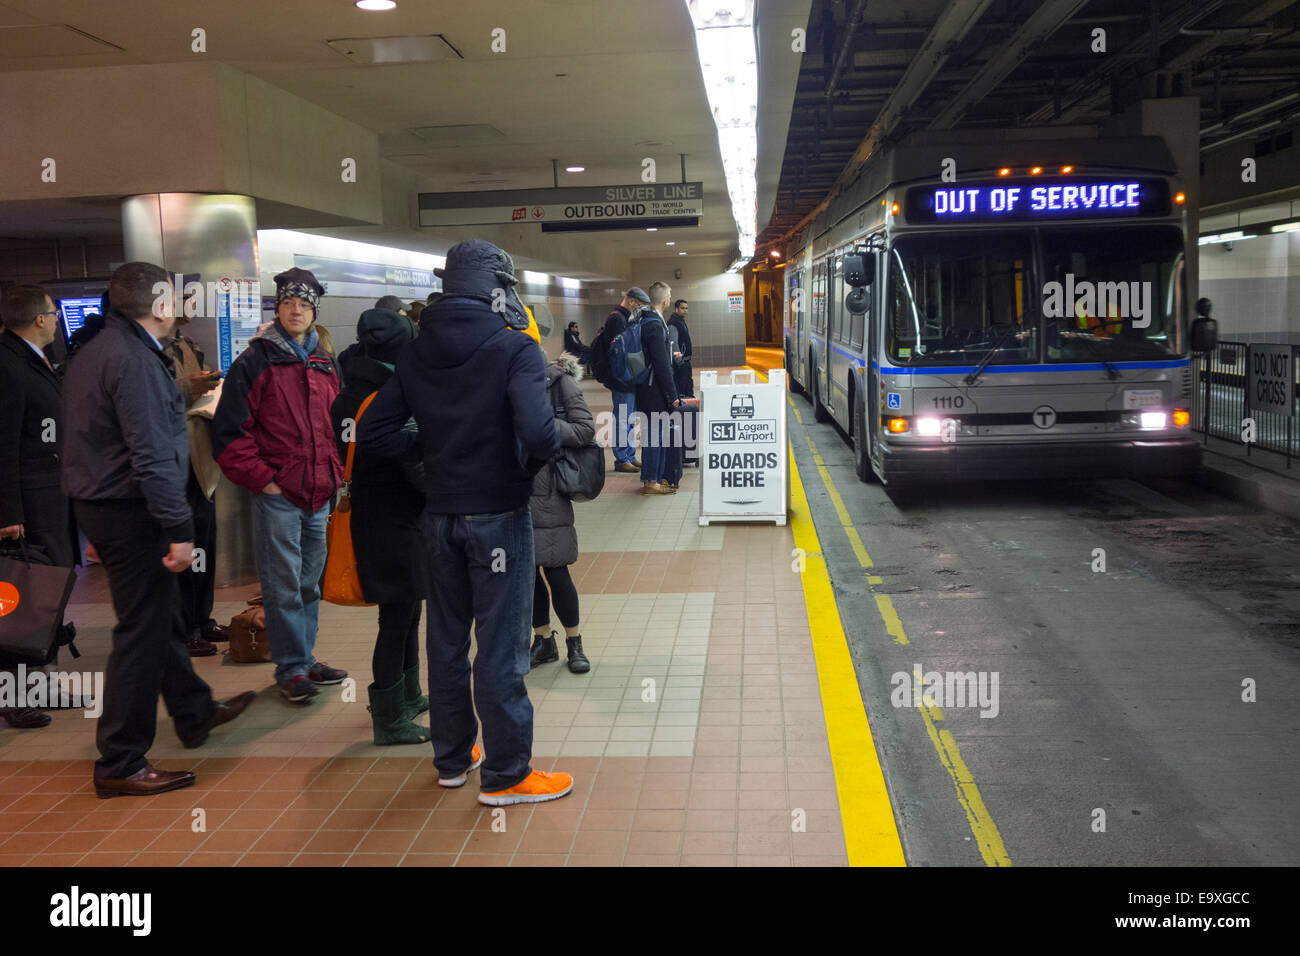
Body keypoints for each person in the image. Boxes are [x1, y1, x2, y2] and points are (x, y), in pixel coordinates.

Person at [359, 238, 572, 806]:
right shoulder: (515, 348)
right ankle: (507, 776)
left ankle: (454, 760)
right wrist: (518, 467)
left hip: (439, 519)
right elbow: (539, 434)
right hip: (499, 516)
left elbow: (375, 433)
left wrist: (429, 464)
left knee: (446, 641)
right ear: (499, 288)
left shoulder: (416, 353)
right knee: (501, 647)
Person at [62, 262, 255, 797]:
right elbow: (150, 454)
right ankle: (120, 761)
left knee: (159, 618)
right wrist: (176, 526)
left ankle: (192, 713)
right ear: (162, 305)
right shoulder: (133, 360)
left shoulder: (99, 349)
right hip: (131, 511)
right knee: (141, 633)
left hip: (105, 504)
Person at [212, 267, 348, 704]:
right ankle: (290, 668)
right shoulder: (256, 361)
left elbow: (336, 424)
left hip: (319, 490)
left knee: (309, 582)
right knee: (282, 583)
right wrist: (263, 481)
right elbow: (230, 434)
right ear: (277, 308)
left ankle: (304, 659)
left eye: (304, 305)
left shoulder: (325, 361)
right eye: (288, 303)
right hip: (279, 495)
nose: (296, 311)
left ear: (314, 311)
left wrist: (338, 474)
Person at [330, 308, 429, 745]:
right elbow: (406, 459)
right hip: (395, 518)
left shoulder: (348, 392)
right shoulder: (390, 394)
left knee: (406, 610)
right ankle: (389, 717)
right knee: (397, 617)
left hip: (373, 515)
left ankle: (408, 695)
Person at [0, 285, 79, 730]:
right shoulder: (8, 365)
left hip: (50, 497)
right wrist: (7, 513)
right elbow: (3, 444)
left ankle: (40, 680)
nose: (56, 319)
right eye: (52, 312)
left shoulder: (30, 357)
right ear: (39, 319)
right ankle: (13, 693)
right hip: (28, 504)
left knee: (49, 591)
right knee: (21, 597)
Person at [161, 299, 226, 658]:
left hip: (200, 454)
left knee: (204, 540)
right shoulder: (148, 352)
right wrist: (187, 389)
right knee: (180, 546)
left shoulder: (188, 344)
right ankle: (184, 628)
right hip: (171, 460)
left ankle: (202, 618)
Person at [527, 348, 595, 674]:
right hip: (512, 493)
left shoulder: (559, 382)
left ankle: (574, 642)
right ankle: (542, 640)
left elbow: (585, 429)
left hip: (550, 491)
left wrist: (545, 424)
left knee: (556, 570)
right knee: (527, 576)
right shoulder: (499, 386)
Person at [636, 282, 698, 494]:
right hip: (653, 390)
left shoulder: (648, 321)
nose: (670, 298)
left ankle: (653, 478)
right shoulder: (654, 325)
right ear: (665, 300)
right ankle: (651, 481)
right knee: (653, 435)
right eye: (670, 295)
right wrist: (672, 395)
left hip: (647, 387)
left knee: (653, 434)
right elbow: (661, 366)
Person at [603, 288, 650, 473]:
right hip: (622, 379)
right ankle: (622, 458)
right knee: (623, 419)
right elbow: (616, 353)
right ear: (631, 301)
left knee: (629, 418)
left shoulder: (626, 318)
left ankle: (629, 455)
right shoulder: (616, 319)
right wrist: (622, 377)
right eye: (639, 305)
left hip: (628, 378)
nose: (640, 309)